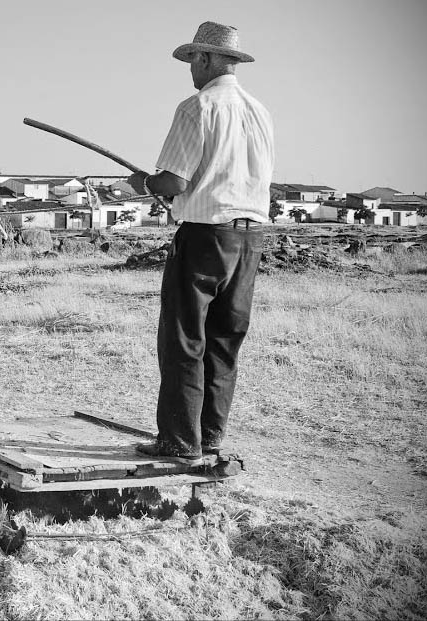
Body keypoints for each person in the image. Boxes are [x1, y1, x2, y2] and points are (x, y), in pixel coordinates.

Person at [125, 21, 274, 465]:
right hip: (249, 240)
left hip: (205, 235)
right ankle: (209, 437)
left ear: (207, 58)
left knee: (184, 339)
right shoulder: (259, 111)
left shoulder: (197, 107)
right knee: (224, 341)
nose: (190, 68)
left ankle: (178, 442)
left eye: (193, 59)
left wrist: (145, 183)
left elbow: (174, 180)